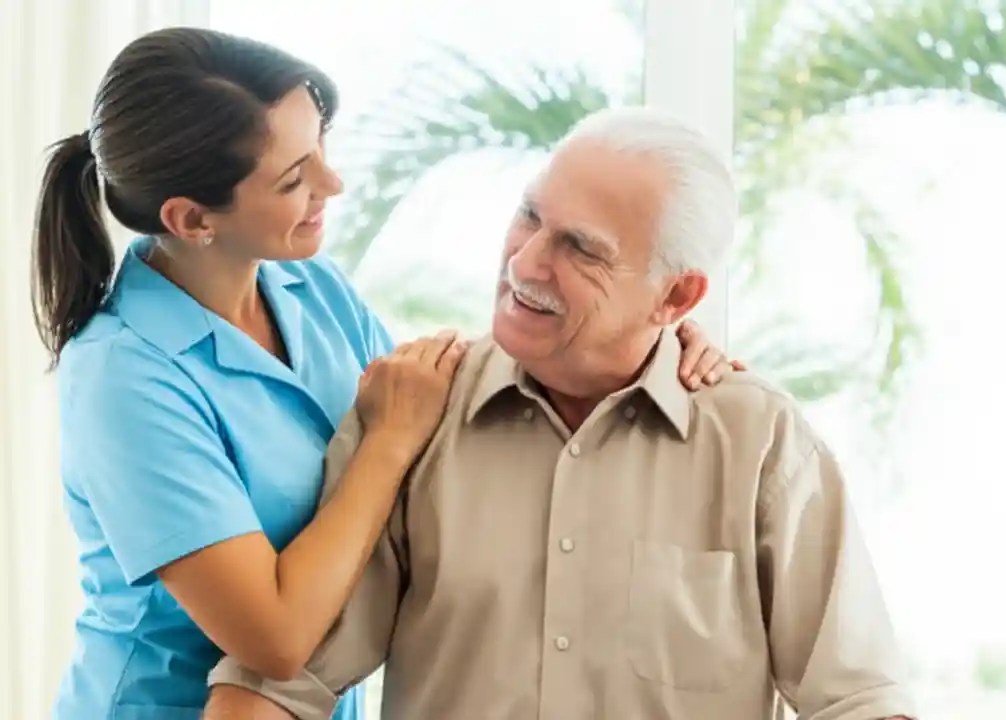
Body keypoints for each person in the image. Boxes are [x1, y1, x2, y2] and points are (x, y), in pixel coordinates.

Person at [33, 28, 735, 720]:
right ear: (191, 219)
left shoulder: (311, 287)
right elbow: (273, 638)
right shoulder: (123, 377)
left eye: (321, 146)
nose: (331, 183)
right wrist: (388, 442)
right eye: (294, 177)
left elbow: (439, 405)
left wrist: (644, 334)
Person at [206, 107, 916, 720]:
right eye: (530, 217)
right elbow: (279, 687)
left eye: (582, 249)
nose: (527, 263)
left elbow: (857, 699)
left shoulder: (759, 441)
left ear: (675, 299)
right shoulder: (411, 418)